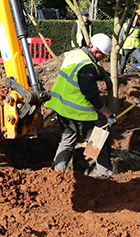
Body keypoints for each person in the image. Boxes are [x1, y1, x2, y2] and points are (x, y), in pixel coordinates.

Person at [45, 33, 116, 177]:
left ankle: (57, 175)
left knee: (66, 142)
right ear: (96, 51)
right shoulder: (87, 66)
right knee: (99, 143)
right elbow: (91, 94)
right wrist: (107, 114)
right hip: (79, 114)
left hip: (62, 110)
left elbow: (75, 75)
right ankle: (106, 177)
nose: (104, 58)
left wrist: (94, 75)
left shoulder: (74, 55)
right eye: (104, 55)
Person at [117, 6, 140, 77]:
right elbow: (120, 37)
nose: (136, 20)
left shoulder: (139, 26)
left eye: (137, 18)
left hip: (135, 47)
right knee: (123, 63)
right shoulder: (125, 26)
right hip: (126, 47)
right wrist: (120, 48)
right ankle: (119, 75)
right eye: (135, 18)